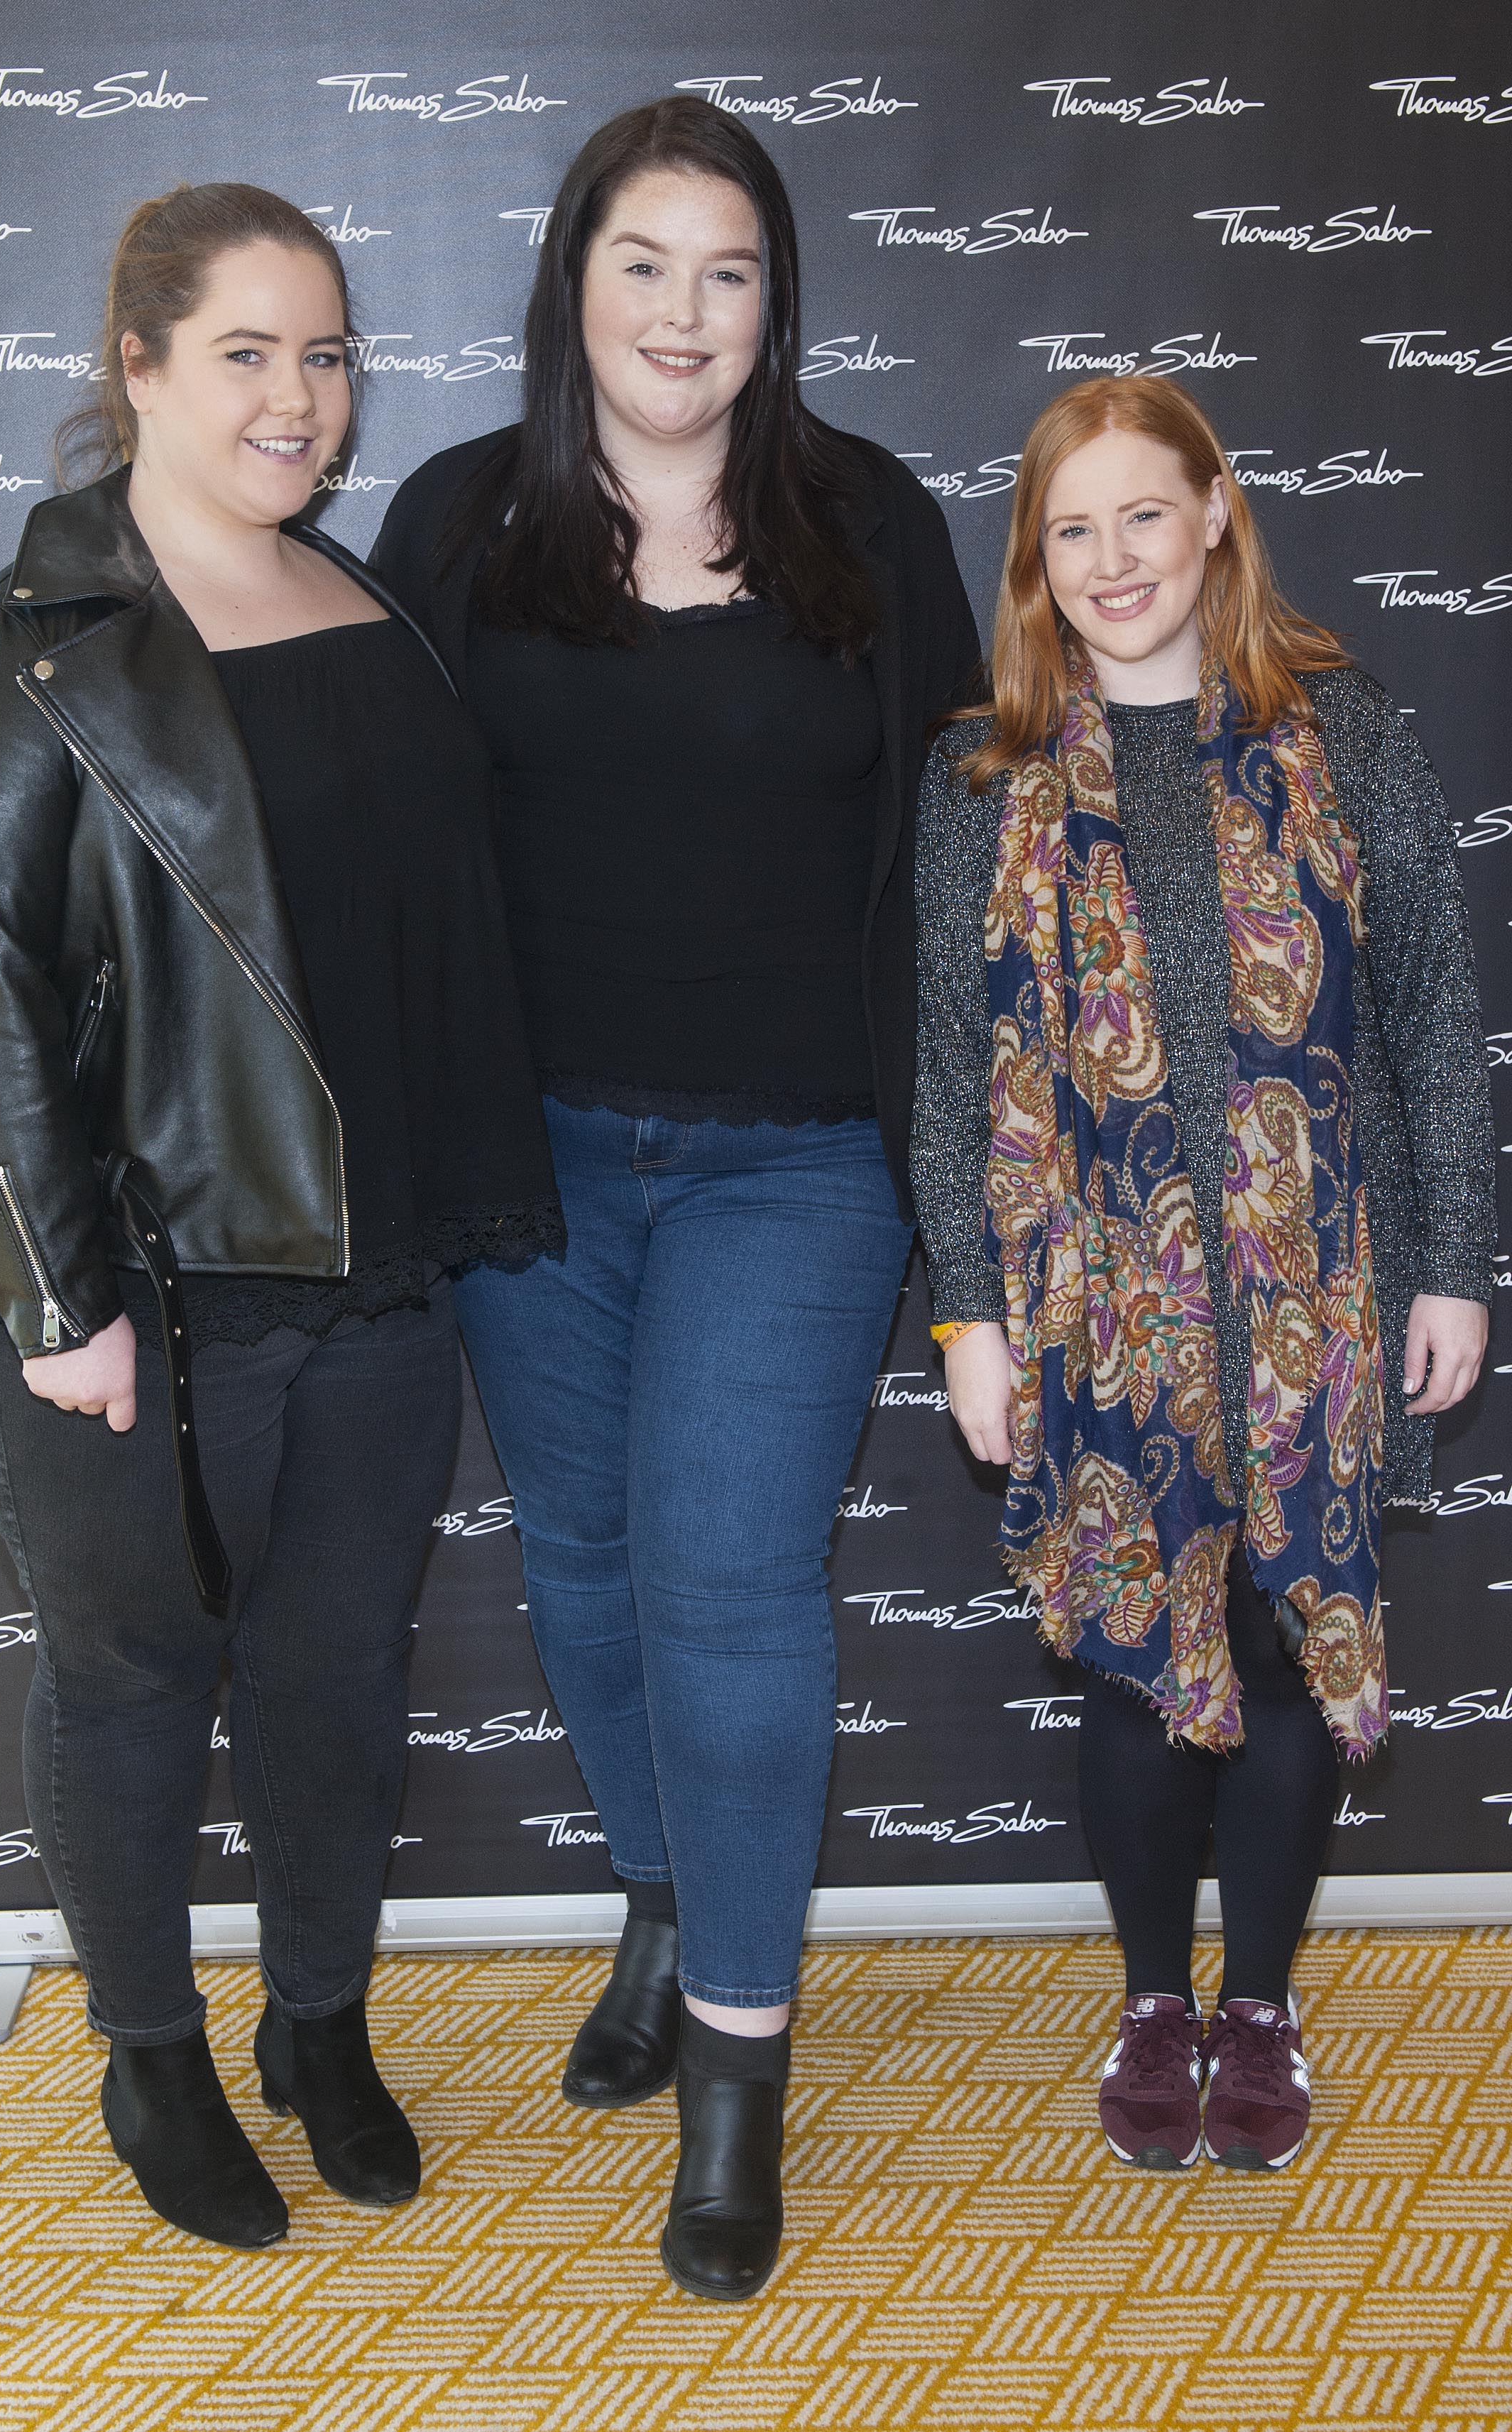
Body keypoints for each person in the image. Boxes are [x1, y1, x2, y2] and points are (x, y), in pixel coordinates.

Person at [0, 183, 560, 2250]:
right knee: (132, 1670)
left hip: (365, 1267)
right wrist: (62, 1290)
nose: (298, 395)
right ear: (140, 364)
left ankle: (319, 2024)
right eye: (249, 350)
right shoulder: (30, 643)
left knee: (341, 1669)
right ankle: (151, 2051)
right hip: (124, 1289)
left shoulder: (370, 610)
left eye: (329, 351)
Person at [373, 94, 980, 2299]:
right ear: (574, 280)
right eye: (646, 262)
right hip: (529, 1160)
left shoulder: (870, 524)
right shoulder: (453, 523)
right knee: (592, 1572)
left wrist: (973, 1202)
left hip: (801, 1162)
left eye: (730, 271)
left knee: (729, 1597)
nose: (686, 312)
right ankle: (658, 1893)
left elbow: (963, 864)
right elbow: (366, 839)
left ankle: (737, 2076)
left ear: (777, 300)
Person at [911, 373, 1494, 2174]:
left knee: (1276, 1636)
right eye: (1067, 531)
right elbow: (945, 1065)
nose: (1109, 560)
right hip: (1095, 1308)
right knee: (1133, 1663)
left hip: (1319, 1282)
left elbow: (1423, 1018)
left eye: (1139, 514)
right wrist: (966, 1313)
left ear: (1216, 510)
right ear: (1034, 561)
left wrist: (1452, 1267)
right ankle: (1150, 1998)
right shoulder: (980, 776)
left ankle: (1260, 2002)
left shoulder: (1342, 735)